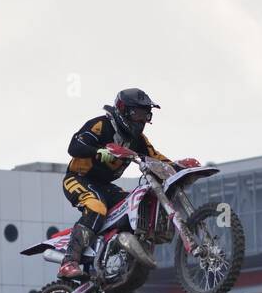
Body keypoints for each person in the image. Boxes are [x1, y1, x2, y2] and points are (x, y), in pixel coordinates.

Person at [59, 87, 181, 280]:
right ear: (123, 109)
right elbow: (74, 146)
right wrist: (98, 151)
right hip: (78, 178)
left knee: (136, 205)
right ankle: (69, 261)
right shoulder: (101, 125)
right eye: (137, 113)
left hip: (106, 186)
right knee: (96, 207)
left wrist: (177, 168)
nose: (141, 120)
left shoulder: (138, 140)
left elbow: (156, 158)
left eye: (145, 115)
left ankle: (119, 263)